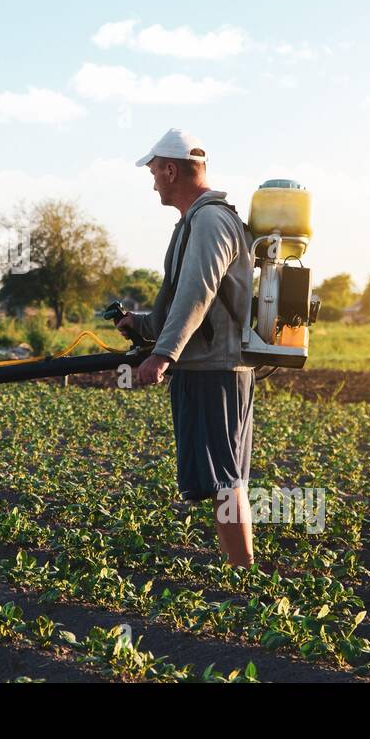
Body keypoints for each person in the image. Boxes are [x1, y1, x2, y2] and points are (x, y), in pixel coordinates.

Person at [113, 127, 256, 567]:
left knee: (226, 480)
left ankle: (243, 575)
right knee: (221, 479)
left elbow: (198, 291)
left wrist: (163, 354)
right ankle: (240, 570)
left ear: (171, 169)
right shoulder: (192, 222)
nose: (153, 181)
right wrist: (141, 326)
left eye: (155, 171)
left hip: (216, 370)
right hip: (206, 369)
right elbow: (175, 300)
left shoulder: (211, 220)